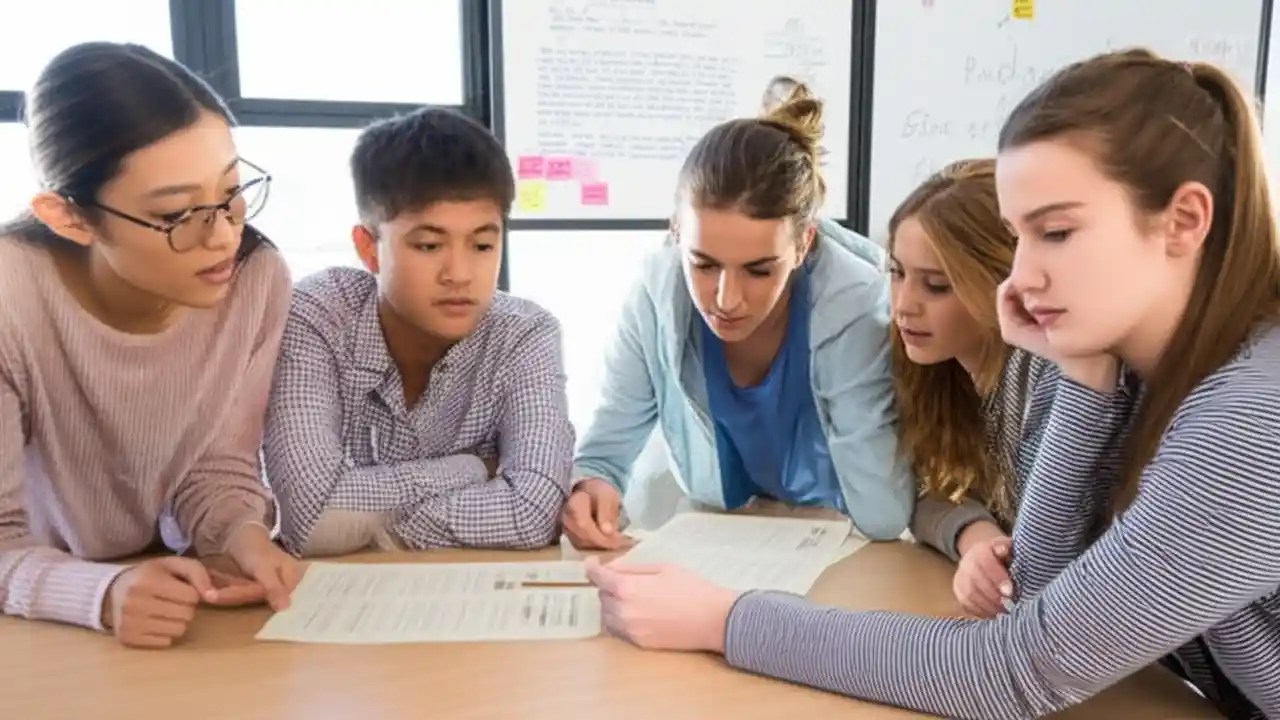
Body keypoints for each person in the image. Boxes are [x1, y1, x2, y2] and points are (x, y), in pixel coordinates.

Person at [585, 48, 1280, 720]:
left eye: (1057, 233)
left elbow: (1013, 669)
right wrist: (1083, 376)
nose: (1021, 276)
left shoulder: (1253, 416)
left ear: (1185, 221)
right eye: (1017, 237)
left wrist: (726, 619)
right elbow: (1033, 594)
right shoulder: (1136, 373)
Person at [0, 42, 301, 649]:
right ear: (69, 218)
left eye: (232, 190)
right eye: (176, 215)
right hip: (31, 628)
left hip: (169, 604)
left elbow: (216, 466)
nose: (222, 237)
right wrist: (101, 596)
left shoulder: (257, 278)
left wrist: (240, 536)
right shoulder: (11, 300)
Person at [563, 82, 915, 550]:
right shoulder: (654, 292)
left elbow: (883, 514)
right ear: (674, 233)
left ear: (804, 244)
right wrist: (594, 487)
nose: (727, 300)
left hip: (839, 541)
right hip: (721, 540)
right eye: (704, 264)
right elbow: (605, 452)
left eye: (758, 270)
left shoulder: (855, 303)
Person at [264, 108, 574, 558]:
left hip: (465, 602)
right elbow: (309, 521)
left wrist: (370, 531)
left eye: (483, 245)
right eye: (429, 245)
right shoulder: (317, 315)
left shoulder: (525, 333)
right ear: (368, 247)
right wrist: (473, 468)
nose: (460, 274)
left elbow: (533, 513)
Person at [889, 158, 1048, 617]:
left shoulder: (1043, 377)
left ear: (1001, 281)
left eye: (936, 286)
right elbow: (923, 490)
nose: (903, 307)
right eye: (897, 272)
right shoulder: (932, 361)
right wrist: (976, 536)